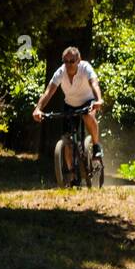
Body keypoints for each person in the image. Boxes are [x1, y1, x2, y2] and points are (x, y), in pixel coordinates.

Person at [32, 46, 106, 177]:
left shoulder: (85, 68)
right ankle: (71, 172)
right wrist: (38, 109)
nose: (68, 64)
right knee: (67, 140)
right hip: (70, 104)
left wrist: (98, 100)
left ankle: (96, 146)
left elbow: (94, 84)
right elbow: (49, 92)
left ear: (79, 60)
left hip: (87, 101)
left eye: (72, 61)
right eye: (65, 61)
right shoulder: (60, 72)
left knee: (88, 116)